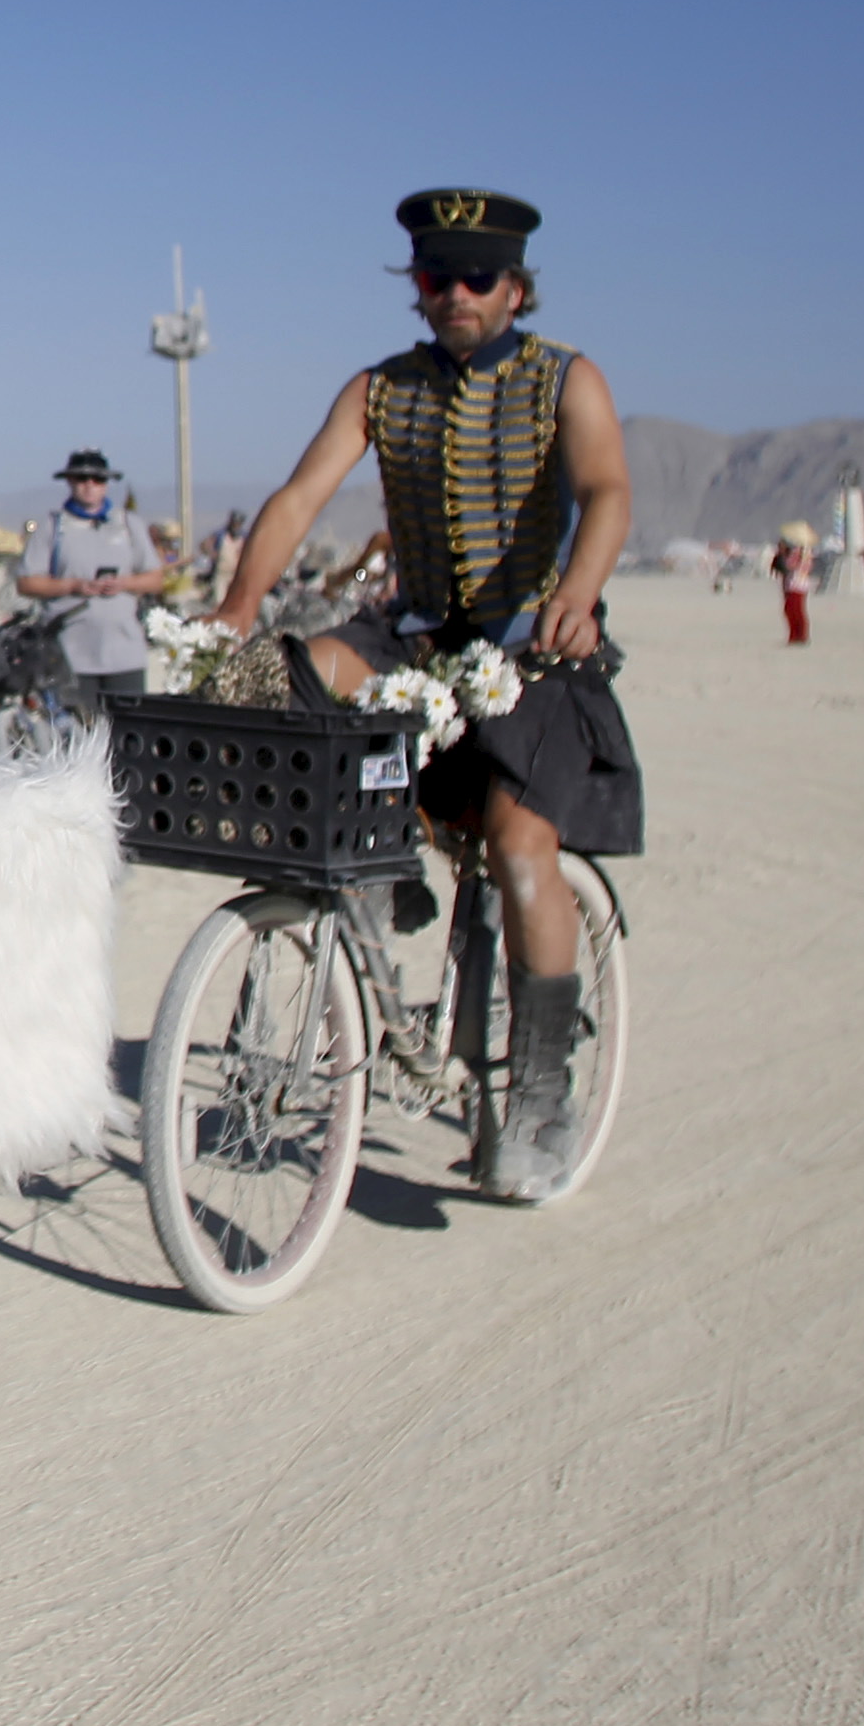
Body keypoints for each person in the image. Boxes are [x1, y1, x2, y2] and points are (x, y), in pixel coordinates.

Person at [203, 188, 643, 1202]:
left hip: (531, 641)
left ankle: (536, 1097)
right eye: (434, 277)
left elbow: (607, 489)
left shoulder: (565, 379)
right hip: (417, 630)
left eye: (474, 278)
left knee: (520, 852)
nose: (452, 294)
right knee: (286, 672)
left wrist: (575, 595)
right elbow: (300, 494)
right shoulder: (378, 388)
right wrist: (234, 608)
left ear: (515, 287)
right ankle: (372, 858)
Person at [13, 447, 166, 705]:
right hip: (72, 654)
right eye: (82, 479)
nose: (90, 486)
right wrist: (74, 586)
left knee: (127, 733)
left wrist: (124, 583)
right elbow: (27, 582)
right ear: (70, 482)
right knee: (77, 735)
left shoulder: (129, 525)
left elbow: (156, 579)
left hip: (124, 654)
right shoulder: (53, 527)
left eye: (98, 479)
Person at [774, 519, 817, 644]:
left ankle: (799, 635)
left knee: (795, 610)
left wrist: (796, 561)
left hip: (798, 584)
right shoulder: (799, 553)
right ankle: (796, 634)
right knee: (791, 610)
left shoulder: (803, 553)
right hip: (794, 583)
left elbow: (794, 567)